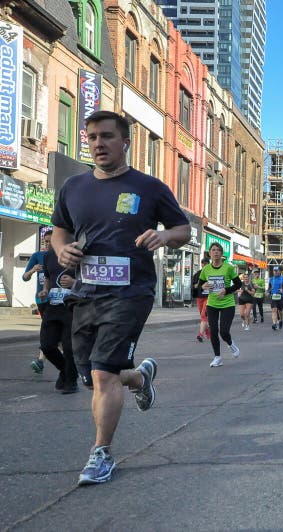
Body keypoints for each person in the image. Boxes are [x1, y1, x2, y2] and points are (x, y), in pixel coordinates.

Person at [50, 110, 190, 485]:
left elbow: (183, 228)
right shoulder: (73, 188)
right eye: (92, 136)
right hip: (86, 292)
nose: (99, 143)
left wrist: (164, 236)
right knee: (91, 375)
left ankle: (101, 454)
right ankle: (140, 378)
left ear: (125, 141)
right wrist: (62, 250)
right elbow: (58, 230)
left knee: (101, 372)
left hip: (131, 292)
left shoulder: (149, 187)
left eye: (107, 136)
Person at [40, 247, 79, 393]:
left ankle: (71, 381)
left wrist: (74, 282)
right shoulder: (48, 256)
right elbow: (48, 278)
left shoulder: (79, 251)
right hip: (52, 307)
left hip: (72, 307)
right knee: (46, 346)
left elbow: (89, 279)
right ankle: (65, 370)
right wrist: (45, 290)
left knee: (69, 348)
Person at [200, 242, 242, 368]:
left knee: (224, 331)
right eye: (213, 250)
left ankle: (231, 343)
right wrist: (203, 286)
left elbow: (238, 284)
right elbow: (200, 286)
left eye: (218, 250)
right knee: (213, 331)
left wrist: (226, 290)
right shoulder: (206, 269)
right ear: (210, 253)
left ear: (222, 253)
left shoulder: (228, 268)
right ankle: (217, 357)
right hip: (212, 304)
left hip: (227, 304)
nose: (216, 252)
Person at [22, 230, 51, 373]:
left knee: (50, 330)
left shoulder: (61, 257)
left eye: (51, 241)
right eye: (46, 241)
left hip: (60, 300)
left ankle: (41, 360)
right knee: (50, 330)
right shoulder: (37, 256)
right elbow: (25, 277)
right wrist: (33, 270)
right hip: (42, 300)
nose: (48, 244)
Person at [191, 257, 211, 342]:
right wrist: (197, 287)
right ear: (202, 264)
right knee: (203, 317)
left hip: (208, 297)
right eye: (203, 264)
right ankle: (207, 331)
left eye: (206, 264)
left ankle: (200, 334)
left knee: (203, 315)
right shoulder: (197, 274)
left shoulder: (211, 274)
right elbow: (193, 286)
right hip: (199, 297)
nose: (205, 265)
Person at [268, 266, 283, 330]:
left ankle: (281, 320)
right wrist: (268, 292)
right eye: (274, 271)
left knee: (280, 311)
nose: (275, 272)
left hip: (280, 296)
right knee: (274, 310)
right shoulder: (271, 279)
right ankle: (274, 323)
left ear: (279, 271)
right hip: (273, 296)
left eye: (276, 271)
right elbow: (269, 288)